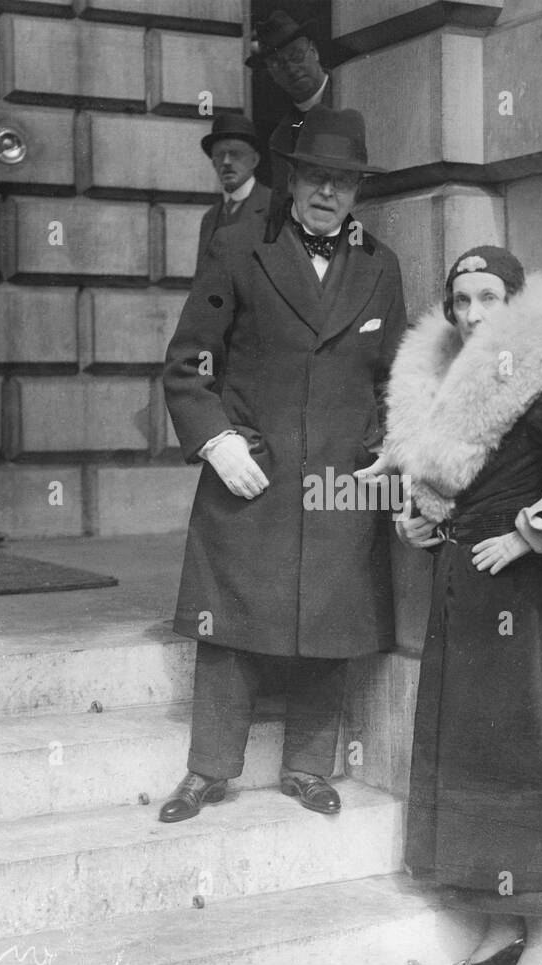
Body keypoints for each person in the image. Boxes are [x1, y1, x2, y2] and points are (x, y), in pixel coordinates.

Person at [382, 246, 542, 965]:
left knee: (509, 750)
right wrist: (417, 522)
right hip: (458, 589)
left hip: (510, 599)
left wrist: (528, 531)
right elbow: (442, 483)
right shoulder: (451, 387)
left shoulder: (534, 382)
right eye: (460, 301)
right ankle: (496, 920)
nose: (472, 314)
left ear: (515, 304)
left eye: (488, 298)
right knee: (465, 749)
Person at [158, 106, 408, 824]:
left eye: (343, 182)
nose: (328, 194)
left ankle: (307, 765)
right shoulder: (239, 249)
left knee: (331, 624)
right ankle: (207, 771)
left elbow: (394, 376)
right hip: (253, 470)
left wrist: (393, 443)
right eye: (316, 178)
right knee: (227, 624)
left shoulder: (380, 267)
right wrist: (215, 440)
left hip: (339, 478)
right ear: (292, 181)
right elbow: (187, 364)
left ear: (357, 193)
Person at [244, 10, 332, 220]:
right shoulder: (280, 138)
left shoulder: (356, 91)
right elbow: (282, 205)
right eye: (277, 64)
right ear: (271, 74)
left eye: (296, 56)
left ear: (314, 51)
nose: (291, 68)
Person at [195, 114, 271, 275]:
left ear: (254, 160)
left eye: (235, 154)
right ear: (214, 164)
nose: (226, 162)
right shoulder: (210, 218)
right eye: (220, 155)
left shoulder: (275, 208)